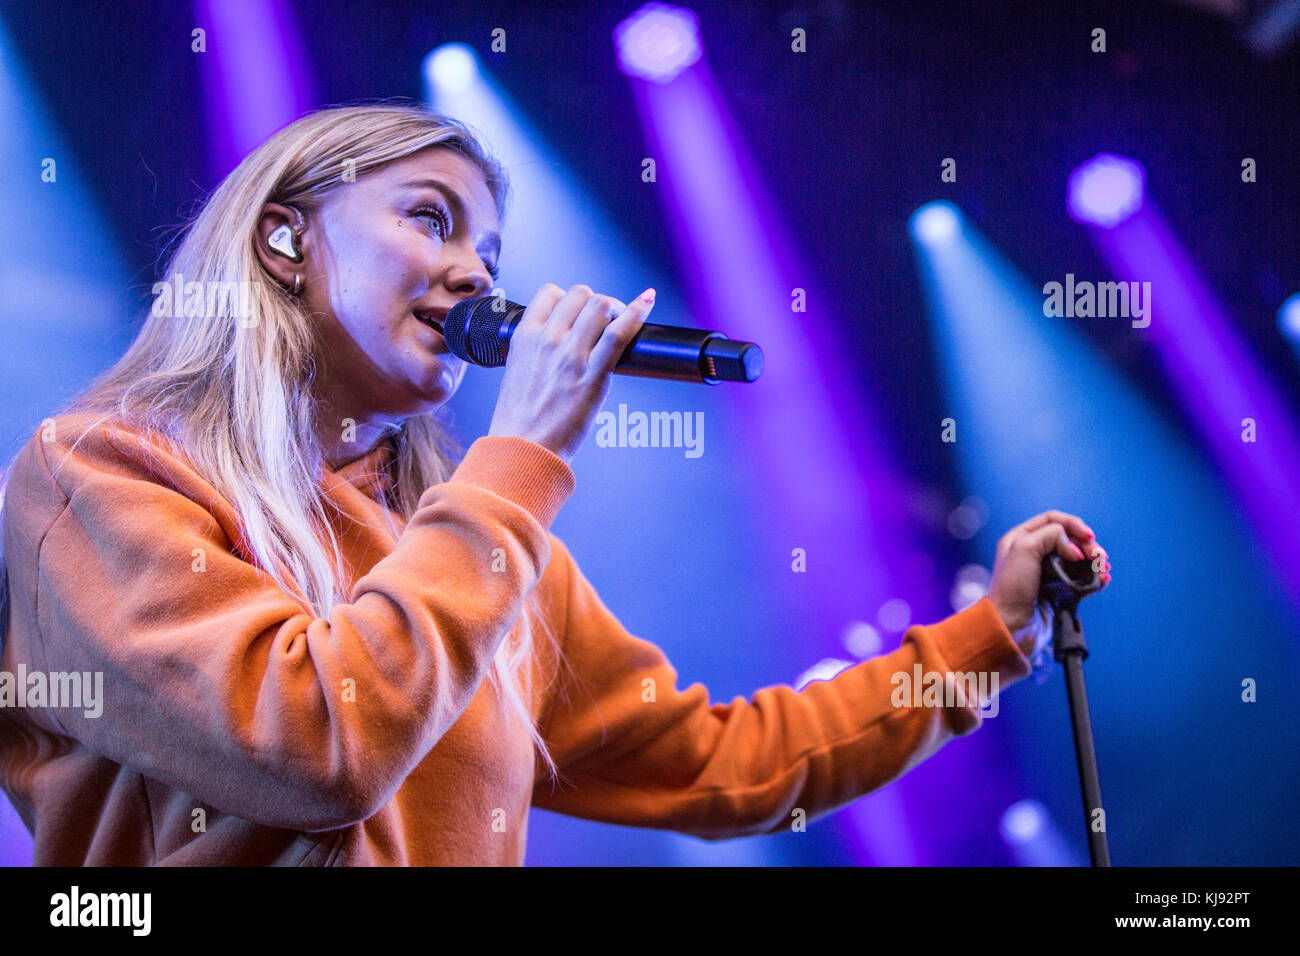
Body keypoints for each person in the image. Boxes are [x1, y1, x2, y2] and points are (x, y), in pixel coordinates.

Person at [0, 102, 1110, 865]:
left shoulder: (483, 549)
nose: (476, 270)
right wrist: (521, 462)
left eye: (489, 245)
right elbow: (316, 744)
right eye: (429, 216)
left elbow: (725, 761)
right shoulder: (103, 469)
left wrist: (988, 632)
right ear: (285, 240)